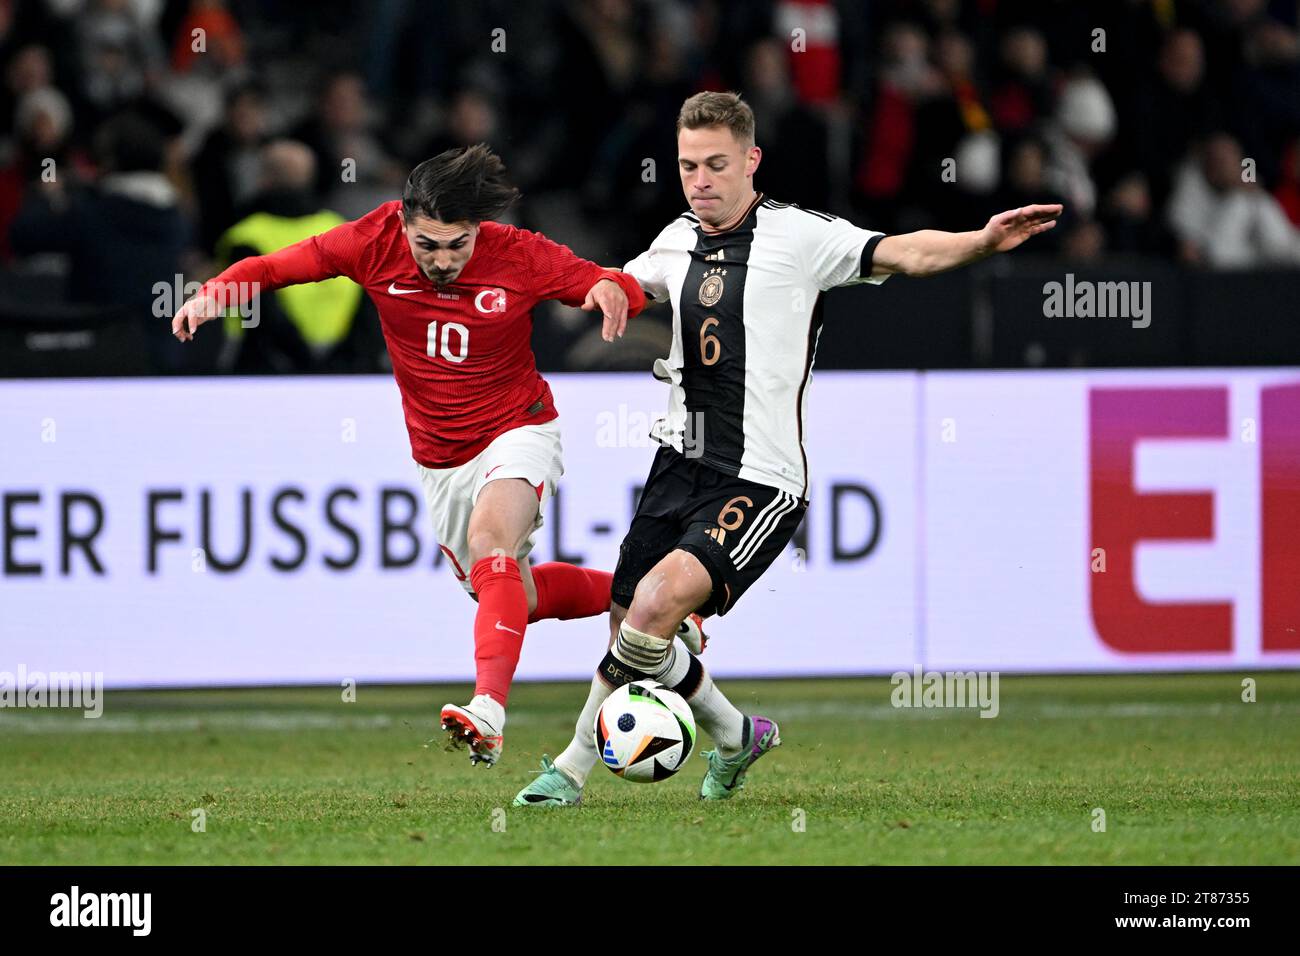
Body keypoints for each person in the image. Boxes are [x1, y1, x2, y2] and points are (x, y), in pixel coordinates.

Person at [514, 91, 1061, 806]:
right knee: (635, 630)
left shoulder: (799, 236)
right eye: (687, 167)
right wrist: (601, 288)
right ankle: (739, 737)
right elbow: (625, 280)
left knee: (651, 609)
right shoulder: (677, 237)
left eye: (716, 165)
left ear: (751, 160)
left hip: (760, 479)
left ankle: (570, 770)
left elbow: (903, 252)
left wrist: (979, 242)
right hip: (677, 462)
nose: (701, 181)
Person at [170, 144, 706, 767]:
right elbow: (276, 267)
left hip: (518, 428)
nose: (445, 260)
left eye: (459, 244)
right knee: (512, 594)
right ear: (402, 223)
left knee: (491, 545)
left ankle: (488, 710)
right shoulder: (370, 241)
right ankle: (642, 598)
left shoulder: (518, 252)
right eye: (429, 245)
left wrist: (615, 292)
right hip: (439, 459)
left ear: (478, 229)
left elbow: (604, 282)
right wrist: (215, 293)